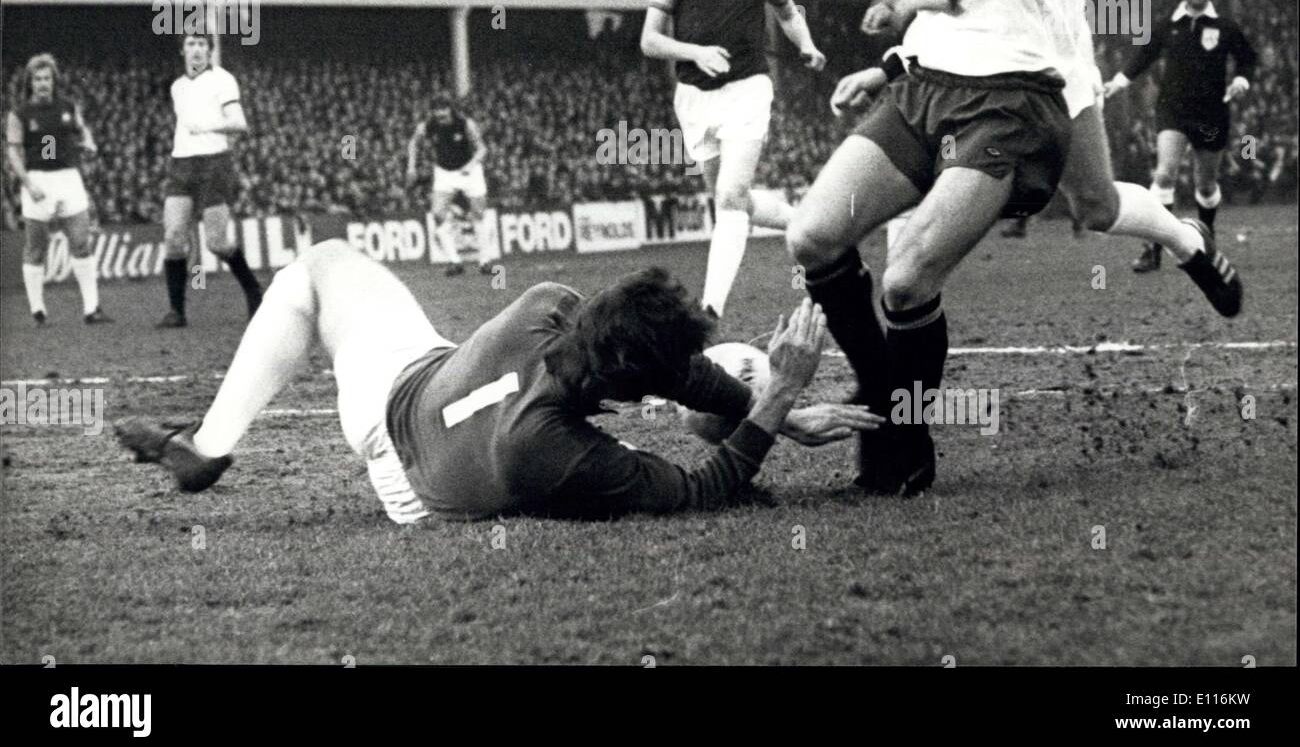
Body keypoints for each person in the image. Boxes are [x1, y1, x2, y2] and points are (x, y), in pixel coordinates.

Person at [787, 0, 1090, 497]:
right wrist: (889, 64)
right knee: (812, 235)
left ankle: (905, 444)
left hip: (1012, 97)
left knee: (907, 276)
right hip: (928, 86)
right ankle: (890, 397)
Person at [115, 241, 881, 521]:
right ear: (629, 392)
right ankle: (207, 446)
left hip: (416, 376)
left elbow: (673, 369)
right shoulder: (554, 449)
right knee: (328, 274)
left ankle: (211, 444)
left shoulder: (550, 304)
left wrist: (774, 413)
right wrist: (775, 400)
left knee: (322, 266)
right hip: (401, 456)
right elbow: (703, 490)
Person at [854, 0, 1242, 317]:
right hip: (981, 47)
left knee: (1095, 205)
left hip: (1049, 46)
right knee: (927, 176)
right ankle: (903, 332)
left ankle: (1185, 241)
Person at [641, 0, 826, 319]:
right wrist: (695, 52)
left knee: (729, 196)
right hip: (694, 99)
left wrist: (806, 45)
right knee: (730, 200)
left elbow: (788, 13)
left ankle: (710, 311)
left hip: (748, 89)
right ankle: (807, 225)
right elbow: (649, 41)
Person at [1104, 0, 1257, 273]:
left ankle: (1207, 238)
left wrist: (1242, 79)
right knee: (1163, 175)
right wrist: (1117, 83)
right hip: (1173, 110)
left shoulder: (1225, 27)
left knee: (1205, 184)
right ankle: (1153, 249)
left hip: (1212, 112)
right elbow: (1143, 57)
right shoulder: (1167, 26)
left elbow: (1247, 59)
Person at [159, 35, 263, 327]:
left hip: (214, 164)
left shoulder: (223, 80)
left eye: (203, 45)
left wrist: (208, 126)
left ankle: (254, 291)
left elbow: (239, 123)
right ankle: (176, 311)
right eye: (191, 45)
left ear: (209, 50)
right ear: (183, 50)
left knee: (216, 242)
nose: (197, 50)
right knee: (173, 238)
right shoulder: (177, 87)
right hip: (181, 164)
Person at [5, 53, 111, 325]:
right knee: (36, 247)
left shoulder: (67, 106)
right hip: (38, 179)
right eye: (38, 79)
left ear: (54, 80)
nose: (43, 83)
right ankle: (38, 310)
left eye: (47, 78)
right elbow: (14, 153)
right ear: (30, 82)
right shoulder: (19, 114)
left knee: (81, 242)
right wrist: (28, 184)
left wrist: (88, 142)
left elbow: (82, 129)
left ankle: (92, 309)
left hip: (68, 178)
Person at [406, 97, 493, 276]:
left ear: (450, 110)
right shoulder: (428, 126)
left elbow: (482, 149)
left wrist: (471, 165)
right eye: (437, 111)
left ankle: (485, 262)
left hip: (470, 171)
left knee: (478, 214)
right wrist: (411, 166)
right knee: (437, 214)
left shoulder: (466, 124)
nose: (440, 115)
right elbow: (413, 142)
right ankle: (455, 262)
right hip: (444, 172)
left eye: (443, 111)